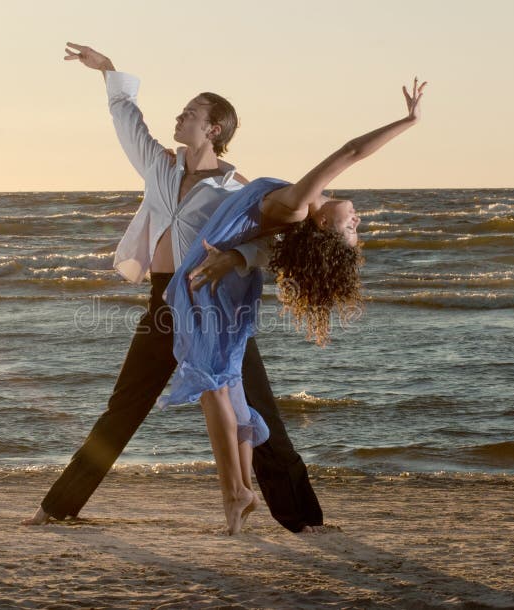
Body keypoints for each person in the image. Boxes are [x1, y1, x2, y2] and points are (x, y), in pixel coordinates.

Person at [22, 42, 325, 532]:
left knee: (260, 409)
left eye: (191, 113)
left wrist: (238, 254)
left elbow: (277, 242)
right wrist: (108, 72)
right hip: (164, 304)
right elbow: (128, 121)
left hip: (215, 312)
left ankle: (303, 518)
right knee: (124, 407)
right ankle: (57, 507)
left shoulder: (238, 188)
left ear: (214, 128)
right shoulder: (160, 167)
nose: (179, 117)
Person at [161, 78, 427, 533]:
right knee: (229, 388)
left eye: (349, 230)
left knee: (216, 389)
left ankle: (236, 492)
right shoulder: (296, 218)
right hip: (228, 285)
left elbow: (351, 151)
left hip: (209, 285)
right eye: (356, 229)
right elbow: (253, 241)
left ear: (325, 224)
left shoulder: (300, 204)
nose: (356, 222)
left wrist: (408, 120)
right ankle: (240, 493)